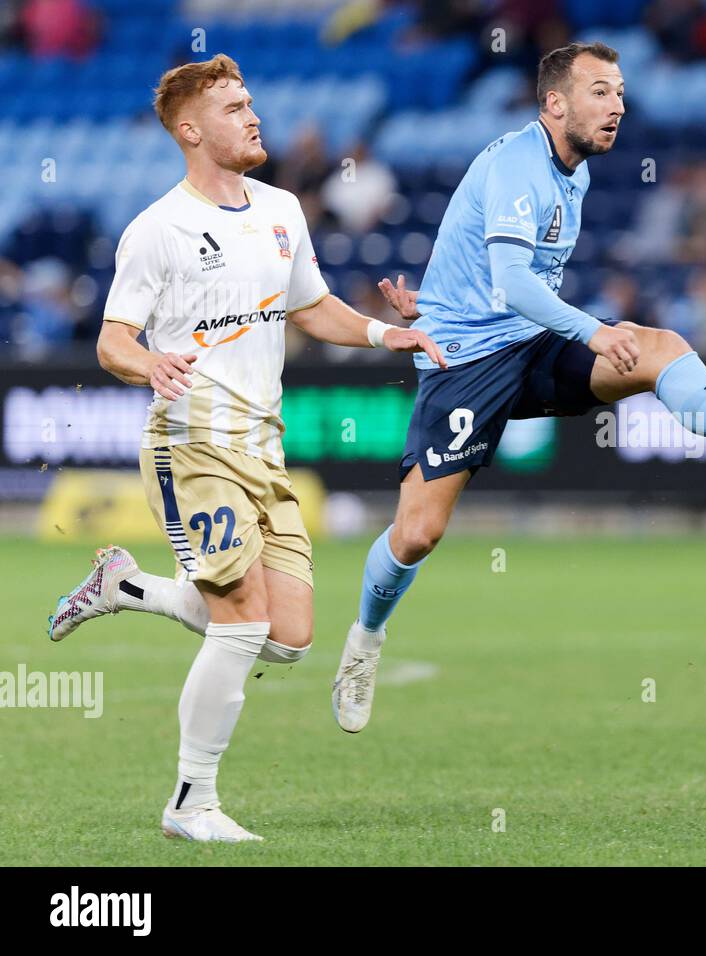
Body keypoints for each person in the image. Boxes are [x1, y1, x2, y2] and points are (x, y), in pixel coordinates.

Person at [331, 42, 706, 733]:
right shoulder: (521, 162)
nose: (618, 107)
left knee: (659, 348)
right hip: (464, 362)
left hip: (528, 343)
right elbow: (512, 283)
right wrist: (591, 330)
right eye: (601, 92)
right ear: (555, 104)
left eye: (621, 93)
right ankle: (365, 642)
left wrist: (456, 297)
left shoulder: (571, 171)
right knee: (418, 535)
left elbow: (490, 268)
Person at [46, 54, 443, 842]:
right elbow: (112, 342)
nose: (253, 115)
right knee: (237, 624)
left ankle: (125, 588)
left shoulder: (282, 209)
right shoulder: (157, 229)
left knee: (287, 638)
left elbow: (312, 307)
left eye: (251, 101)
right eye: (233, 107)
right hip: (191, 443)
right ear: (191, 130)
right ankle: (191, 803)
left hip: (264, 448)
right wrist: (149, 362)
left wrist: (384, 333)